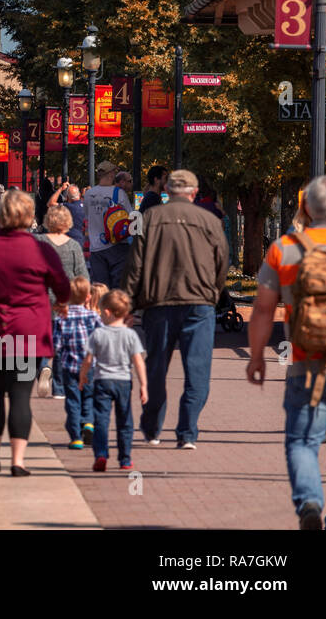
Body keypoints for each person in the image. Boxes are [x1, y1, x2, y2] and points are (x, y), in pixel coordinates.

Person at [248, 175, 326, 529]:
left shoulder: (284, 248)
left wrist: (256, 357)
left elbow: (263, 310)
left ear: (305, 208)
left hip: (307, 364)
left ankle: (309, 502)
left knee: (303, 442)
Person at [0, 189, 71, 476]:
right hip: (30, 336)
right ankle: (18, 462)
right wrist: (60, 303)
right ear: (29, 216)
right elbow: (62, 287)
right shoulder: (42, 249)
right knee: (21, 396)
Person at [121, 169, 227, 449]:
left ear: (167, 189)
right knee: (198, 370)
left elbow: (135, 264)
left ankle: (153, 426)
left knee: (156, 367)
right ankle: (187, 431)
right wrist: (213, 293)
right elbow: (222, 263)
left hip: (159, 302)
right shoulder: (210, 220)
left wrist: (128, 303)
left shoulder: (149, 218)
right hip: (199, 303)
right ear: (193, 193)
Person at [79, 289, 147, 472]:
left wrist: (83, 376)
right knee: (125, 420)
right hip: (123, 381)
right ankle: (125, 458)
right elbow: (138, 361)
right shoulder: (130, 335)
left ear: (107, 312)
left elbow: (88, 359)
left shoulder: (98, 334)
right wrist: (144, 385)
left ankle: (101, 454)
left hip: (102, 381)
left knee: (101, 420)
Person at [36, 204, 88, 398]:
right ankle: (59, 388)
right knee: (61, 345)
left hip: (40, 299)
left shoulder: (38, 241)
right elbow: (82, 277)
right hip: (64, 302)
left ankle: (42, 367)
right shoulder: (74, 246)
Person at [55, 276, 102, 449]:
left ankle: (76, 437)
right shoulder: (92, 316)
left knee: (73, 401)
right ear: (88, 296)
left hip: (69, 366)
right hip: (90, 365)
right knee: (89, 396)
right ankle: (88, 422)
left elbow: (57, 345)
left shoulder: (62, 318)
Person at [83, 161, 130, 288]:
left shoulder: (88, 194)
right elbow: (130, 217)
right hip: (117, 245)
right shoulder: (119, 193)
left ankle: (101, 307)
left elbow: (87, 216)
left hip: (96, 247)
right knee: (118, 286)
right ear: (110, 175)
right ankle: (114, 308)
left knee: (100, 287)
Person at [48, 182, 86, 248]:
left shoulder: (68, 206)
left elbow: (50, 203)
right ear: (79, 195)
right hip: (83, 240)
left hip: (70, 240)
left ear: (68, 197)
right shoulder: (85, 205)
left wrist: (61, 189)